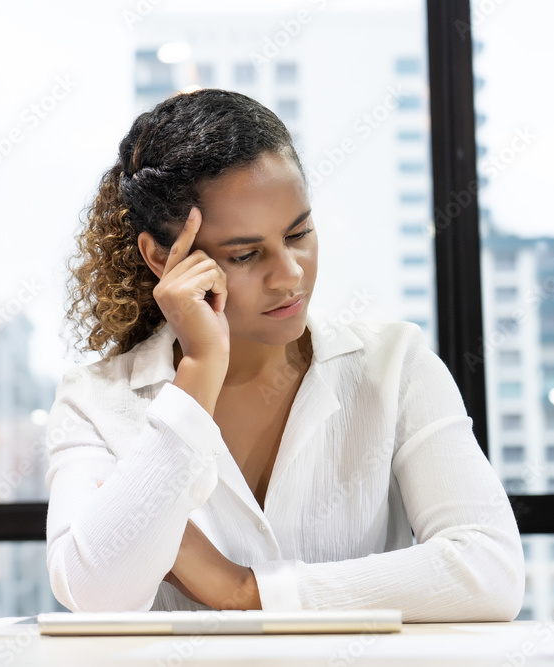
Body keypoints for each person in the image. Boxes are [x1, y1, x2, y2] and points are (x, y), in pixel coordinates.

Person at [44, 88, 525, 621]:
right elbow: (95, 594)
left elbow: (490, 572)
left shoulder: (395, 366)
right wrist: (200, 372)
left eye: (299, 234)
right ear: (163, 258)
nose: (290, 275)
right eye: (246, 254)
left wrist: (246, 592)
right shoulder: (95, 401)